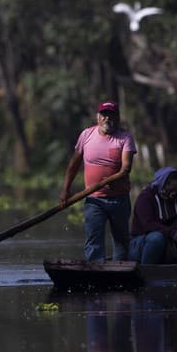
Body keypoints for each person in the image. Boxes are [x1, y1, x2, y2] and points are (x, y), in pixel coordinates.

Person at [60, 101, 136, 261]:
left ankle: (120, 272)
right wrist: (66, 189)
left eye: (111, 115)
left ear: (118, 117)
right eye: (104, 115)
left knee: (121, 242)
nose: (107, 118)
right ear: (98, 117)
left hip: (119, 200)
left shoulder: (125, 137)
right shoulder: (86, 135)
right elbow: (73, 165)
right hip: (94, 200)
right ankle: (95, 272)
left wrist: (109, 180)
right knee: (94, 241)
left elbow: (126, 168)